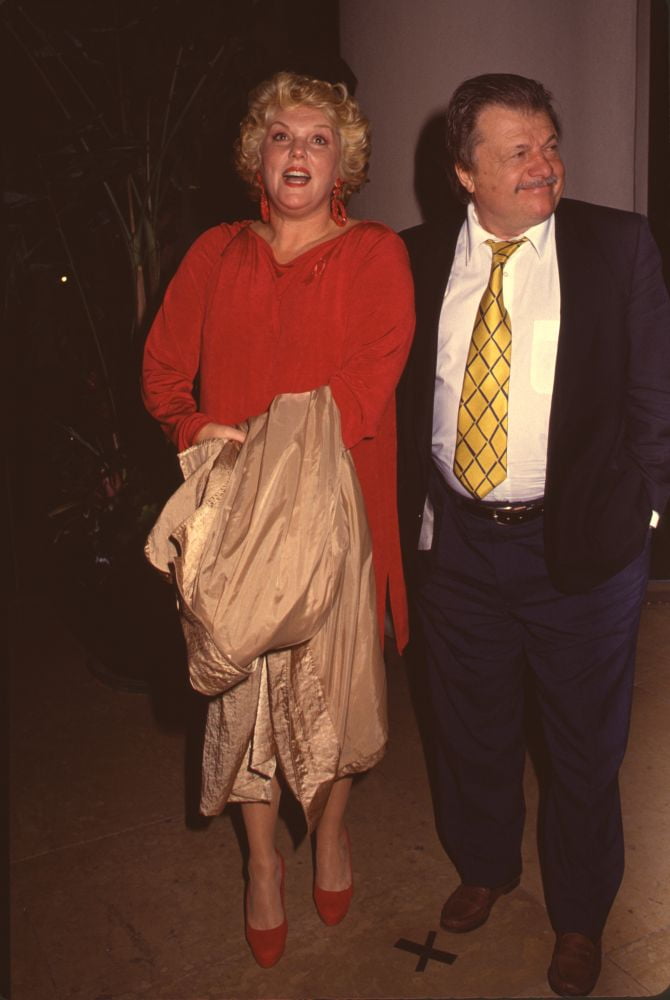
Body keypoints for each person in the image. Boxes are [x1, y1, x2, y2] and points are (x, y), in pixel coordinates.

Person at [397, 73, 670, 997]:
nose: (545, 165)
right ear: (464, 171)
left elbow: (654, 399)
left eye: (550, 144)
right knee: (468, 726)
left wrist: (648, 514)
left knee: (584, 750)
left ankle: (582, 914)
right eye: (519, 152)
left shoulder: (616, 244)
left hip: (583, 549)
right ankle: (486, 867)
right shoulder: (412, 256)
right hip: (459, 546)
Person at [142, 71, 414, 967]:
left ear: (344, 162)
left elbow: (368, 384)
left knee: (335, 703)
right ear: (258, 153)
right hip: (234, 529)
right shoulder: (215, 253)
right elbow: (163, 374)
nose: (298, 153)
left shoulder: (375, 252)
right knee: (244, 704)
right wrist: (192, 425)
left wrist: (261, 442)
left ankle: (330, 829)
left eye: (318, 139)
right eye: (282, 137)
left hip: (340, 512)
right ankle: (262, 861)